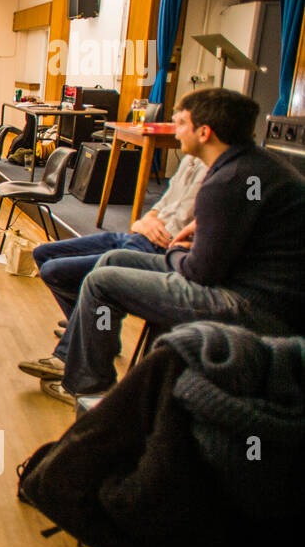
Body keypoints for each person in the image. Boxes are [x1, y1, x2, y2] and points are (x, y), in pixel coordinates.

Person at [42, 88, 305, 404]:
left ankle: (88, 387)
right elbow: (242, 222)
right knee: (112, 260)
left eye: (180, 123)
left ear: (204, 132)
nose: (175, 131)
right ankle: (83, 356)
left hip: (250, 303)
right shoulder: (253, 166)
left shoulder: (228, 180)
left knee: (101, 283)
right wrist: (202, 231)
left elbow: (200, 272)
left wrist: (177, 249)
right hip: (249, 285)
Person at [17, 152, 207, 382]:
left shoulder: (222, 175)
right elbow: (159, 207)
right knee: (43, 254)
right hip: (137, 237)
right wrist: (146, 221)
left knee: (58, 273)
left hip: (157, 251)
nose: (175, 132)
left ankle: (78, 348)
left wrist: (176, 241)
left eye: (181, 128)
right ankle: (99, 334)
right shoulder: (190, 160)